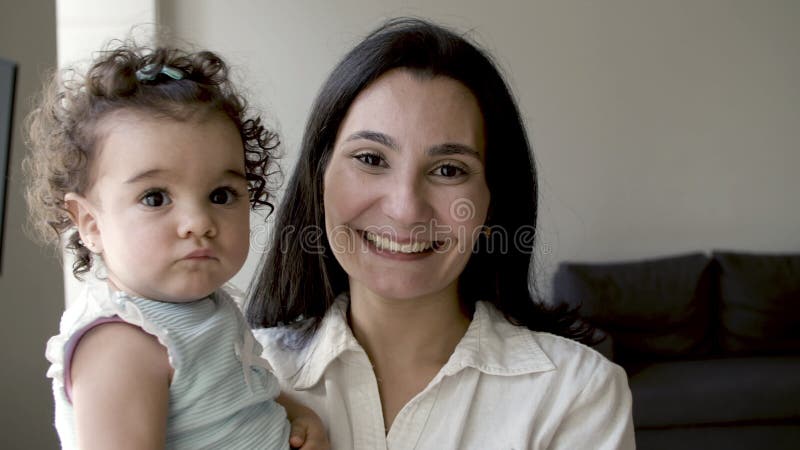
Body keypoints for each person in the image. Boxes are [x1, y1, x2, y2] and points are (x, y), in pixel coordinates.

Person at [247, 17, 635, 449]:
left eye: (449, 170)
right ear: (318, 180)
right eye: (371, 159)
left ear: (493, 201)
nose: (405, 207)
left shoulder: (574, 393)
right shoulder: (242, 373)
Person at [24, 42, 328, 449]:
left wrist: (294, 412)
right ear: (91, 224)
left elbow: (233, 389)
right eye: (155, 198)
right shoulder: (123, 346)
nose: (199, 223)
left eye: (221, 195)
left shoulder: (203, 310)